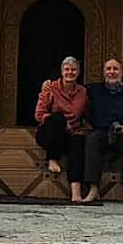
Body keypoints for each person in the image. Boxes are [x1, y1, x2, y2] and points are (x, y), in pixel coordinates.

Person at [83, 58, 123, 206]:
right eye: (109, 69)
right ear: (104, 72)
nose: (112, 72)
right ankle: (93, 189)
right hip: (102, 132)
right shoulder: (93, 90)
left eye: (115, 69)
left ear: (121, 72)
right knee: (92, 139)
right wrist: (50, 86)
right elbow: (71, 87)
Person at [35, 56, 89, 203]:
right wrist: (63, 122)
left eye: (73, 70)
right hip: (50, 133)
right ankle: (52, 158)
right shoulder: (50, 87)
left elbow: (83, 114)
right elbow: (39, 114)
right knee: (58, 118)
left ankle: (76, 192)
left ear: (78, 73)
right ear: (61, 71)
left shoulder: (83, 92)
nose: (70, 72)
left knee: (79, 140)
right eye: (67, 69)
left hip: (71, 134)